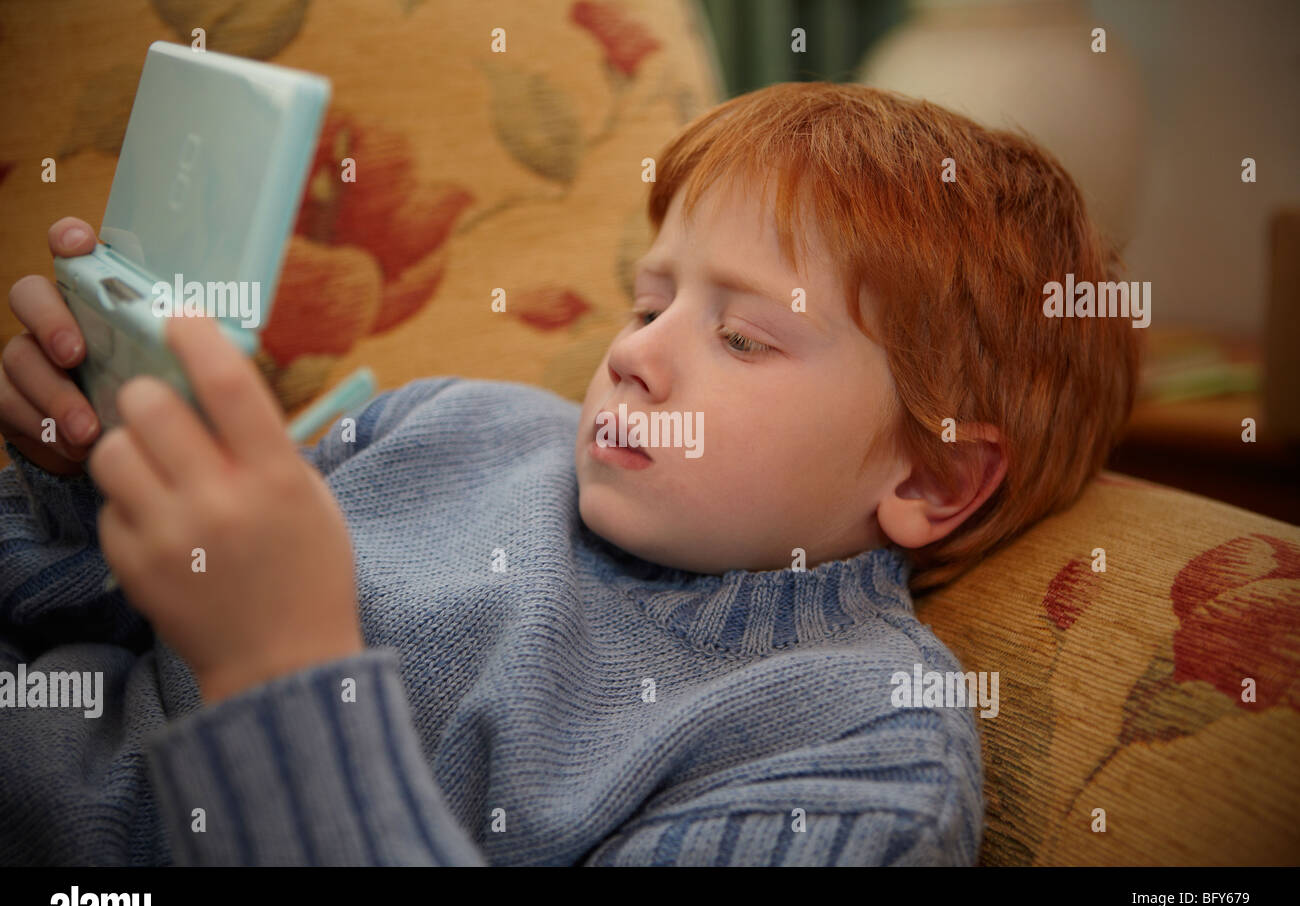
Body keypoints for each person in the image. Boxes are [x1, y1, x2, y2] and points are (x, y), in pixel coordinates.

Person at [0, 83, 1139, 865]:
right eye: (648, 304)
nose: (633, 354)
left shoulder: (855, 753)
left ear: (933, 478)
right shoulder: (455, 422)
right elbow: (85, 606)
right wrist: (84, 472)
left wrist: (281, 673)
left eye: (741, 337)